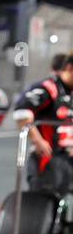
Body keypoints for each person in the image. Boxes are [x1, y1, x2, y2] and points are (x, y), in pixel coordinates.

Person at [10, 52, 73, 196]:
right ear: (69, 68)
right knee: (45, 206)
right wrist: (38, 140)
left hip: (69, 159)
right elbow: (22, 112)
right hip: (49, 159)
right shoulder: (48, 87)